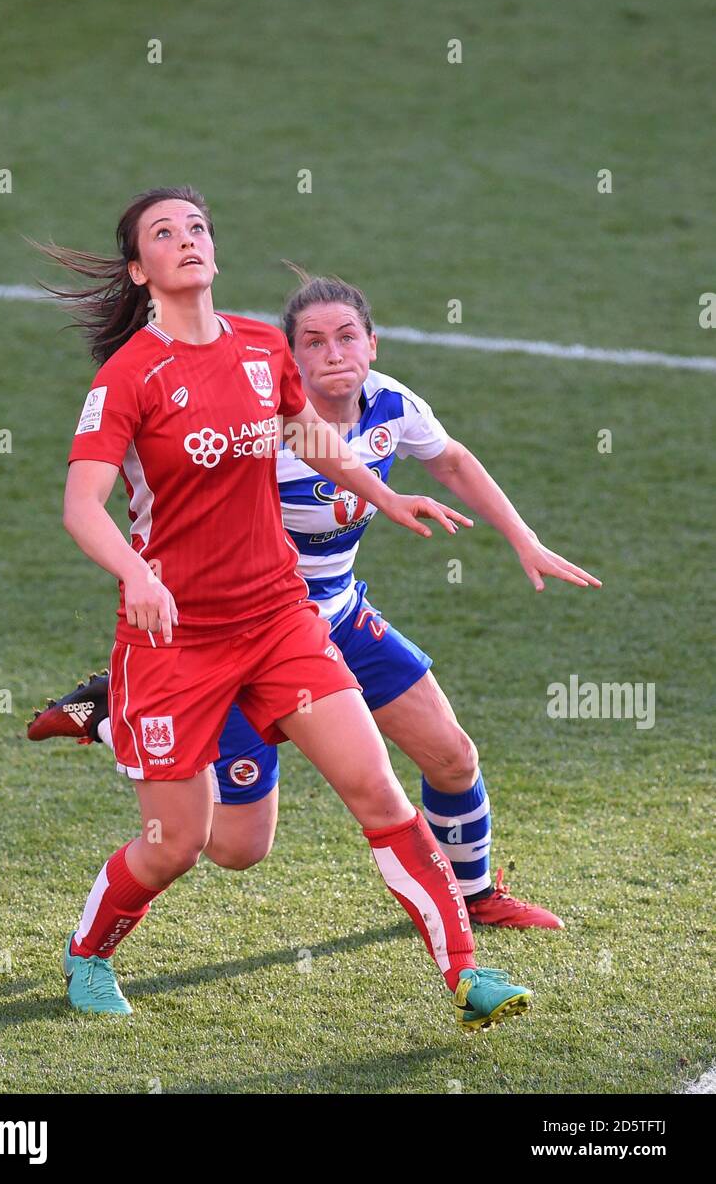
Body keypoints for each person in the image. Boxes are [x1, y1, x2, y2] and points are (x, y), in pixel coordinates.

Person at [37, 184, 534, 1030]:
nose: (187, 239)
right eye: (164, 233)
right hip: (175, 638)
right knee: (189, 847)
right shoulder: (127, 378)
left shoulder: (264, 348)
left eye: (197, 226)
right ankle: (89, 953)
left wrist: (385, 494)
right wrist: (137, 575)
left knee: (379, 791)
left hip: (278, 619)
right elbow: (82, 504)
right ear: (139, 269)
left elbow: (310, 438)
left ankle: (465, 974)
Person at [32, 270, 601, 928]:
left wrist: (523, 538)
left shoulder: (393, 406)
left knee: (452, 754)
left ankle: (474, 898)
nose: (334, 353)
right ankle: (113, 715)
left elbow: (451, 461)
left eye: (347, 337)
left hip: (342, 616)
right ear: (288, 357)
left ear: (373, 345)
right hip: (251, 638)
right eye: (314, 341)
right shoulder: (262, 434)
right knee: (238, 849)